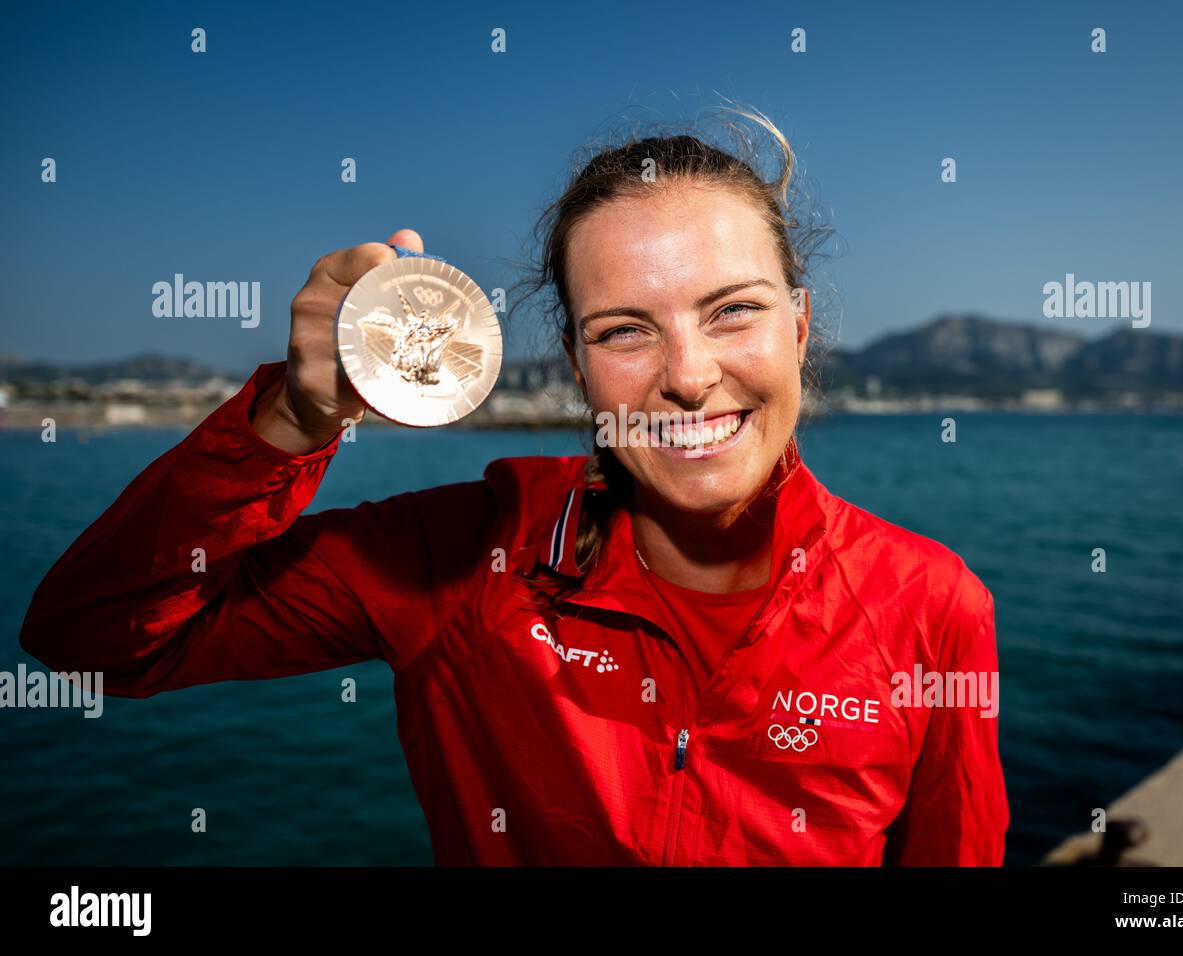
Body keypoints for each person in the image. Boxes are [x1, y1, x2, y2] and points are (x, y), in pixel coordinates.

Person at [19, 108, 1009, 866]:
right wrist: (289, 420)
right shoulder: (457, 559)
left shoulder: (928, 606)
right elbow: (93, 638)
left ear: (798, 327)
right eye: (624, 328)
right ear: (577, 366)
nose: (691, 374)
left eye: (732, 311)